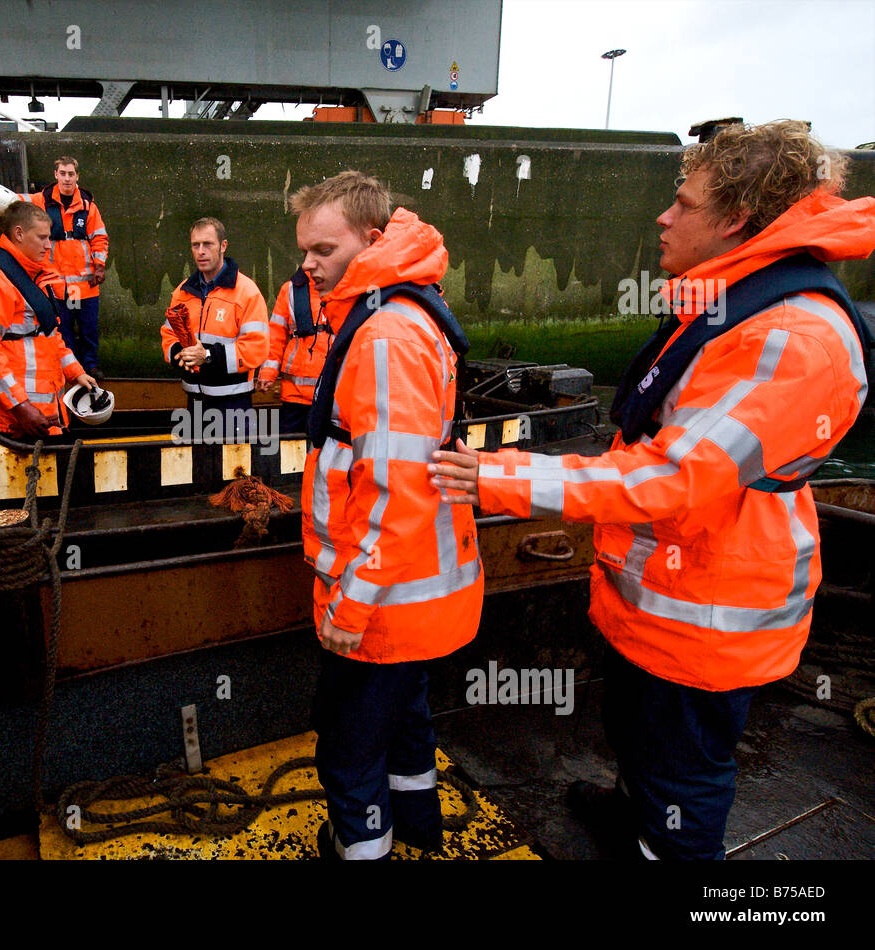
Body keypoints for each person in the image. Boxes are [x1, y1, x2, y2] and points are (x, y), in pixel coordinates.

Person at [430, 120, 873, 860]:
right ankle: (633, 808)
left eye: (684, 204)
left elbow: (674, 475)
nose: (664, 217)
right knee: (640, 730)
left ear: (736, 219)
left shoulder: (788, 338)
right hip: (669, 589)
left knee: (688, 770)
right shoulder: (737, 300)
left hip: (710, 608)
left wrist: (497, 475)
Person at [294, 171, 484, 859]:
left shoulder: (382, 337)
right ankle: (417, 828)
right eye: (304, 251)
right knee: (405, 720)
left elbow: (393, 491)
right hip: (419, 590)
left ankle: (362, 850)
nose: (308, 265)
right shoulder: (401, 312)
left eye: (322, 250)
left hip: (385, 599)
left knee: (348, 745)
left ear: (371, 240)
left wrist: (349, 607)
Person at [0, 200, 97, 440]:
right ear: (18, 234)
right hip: (14, 423)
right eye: (42, 238)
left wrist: (75, 372)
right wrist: (20, 406)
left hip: (43, 417)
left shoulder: (35, 274)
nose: (48, 246)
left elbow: (49, 335)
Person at [160, 217, 268, 441]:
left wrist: (207, 356)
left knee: (237, 473)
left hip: (234, 406)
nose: (201, 251)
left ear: (223, 246)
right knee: (198, 472)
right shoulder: (182, 292)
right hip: (195, 404)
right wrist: (179, 354)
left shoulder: (247, 292)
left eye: (208, 244)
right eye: (195, 245)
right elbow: (168, 335)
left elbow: (256, 349)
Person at [24, 155, 108, 377]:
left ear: (77, 176)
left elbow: (99, 238)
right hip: (59, 286)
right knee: (64, 331)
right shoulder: (42, 201)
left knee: (89, 329)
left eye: (71, 174)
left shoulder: (89, 206)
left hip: (85, 285)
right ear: (56, 175)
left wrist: (99, 266)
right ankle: (71, 370)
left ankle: (91, 365)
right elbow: (15, 201)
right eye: (63, 173)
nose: (67, 178)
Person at [256, 266, 330, 433]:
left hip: (334, 397)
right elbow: (276, 333)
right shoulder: (290, 289)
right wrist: (268, 372)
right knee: (291, 449)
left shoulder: (347, 287)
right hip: (295, 397)